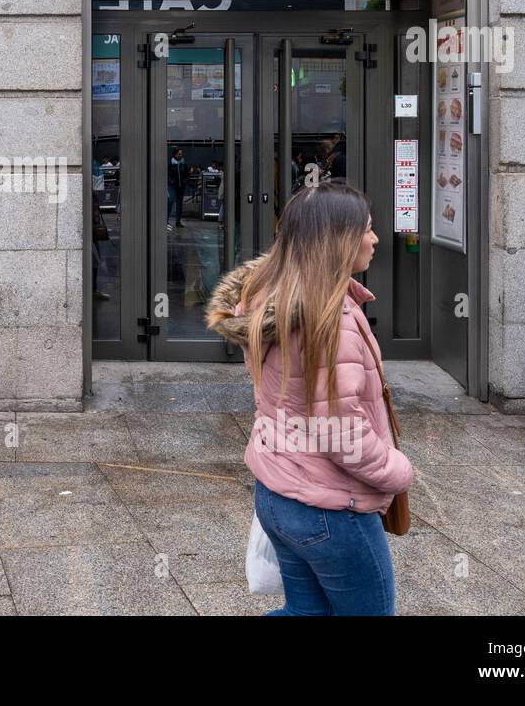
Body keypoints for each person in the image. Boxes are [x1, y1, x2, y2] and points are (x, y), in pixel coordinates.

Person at [205, 182, 413, 615]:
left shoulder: (269, 299)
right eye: (367, 230)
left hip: (278, 493)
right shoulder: (329, 319)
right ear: (337, 240)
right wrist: (397, 470)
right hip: (330, 508)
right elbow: (340, 430)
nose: (375, 239)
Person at [167, 147, 187, 229]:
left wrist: (185, 181)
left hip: (181, 186)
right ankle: (166, 221)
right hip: (172, 186)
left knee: (179, 204)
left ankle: (178, 221)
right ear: (175, 154)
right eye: (179, 154)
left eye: (181, 154)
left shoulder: (183, 163)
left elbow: (187, 173)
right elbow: (167, 174)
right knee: (170, 201)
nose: (181, 155)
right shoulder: (170, 163)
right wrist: (171, 181)